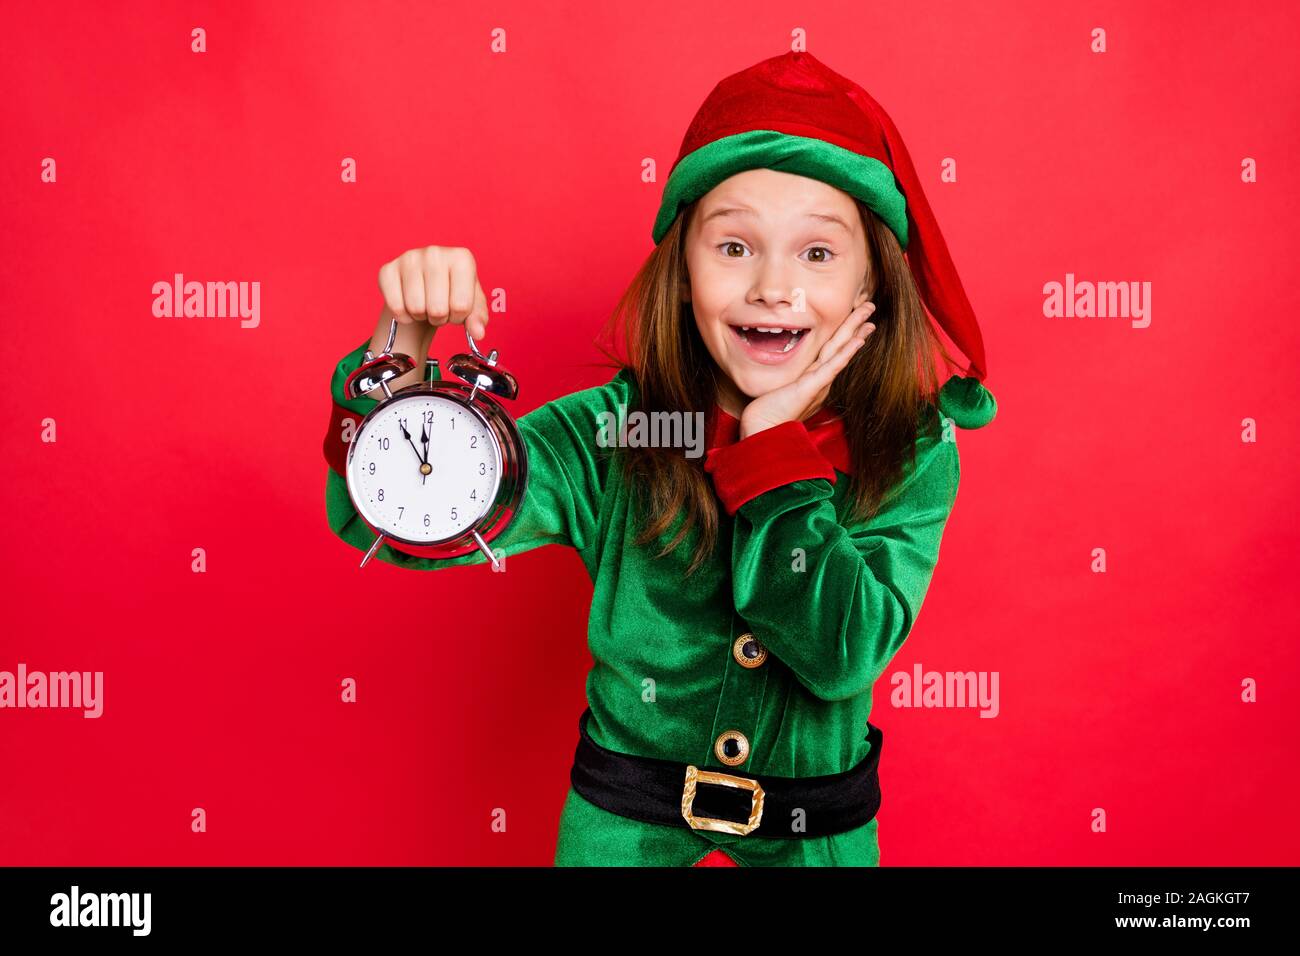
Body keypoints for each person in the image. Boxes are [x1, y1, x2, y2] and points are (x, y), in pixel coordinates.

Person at [321, 49, 998, 867]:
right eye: (734, 247)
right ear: (681, 272)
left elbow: (839, 655)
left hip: (816, 835)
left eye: (817, 253)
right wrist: (401, 348)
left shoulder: (912, 447)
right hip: (624, 825)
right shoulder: (621, 430)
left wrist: (774, 451)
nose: (773, 288)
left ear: (872, 287)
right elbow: (392, 528)